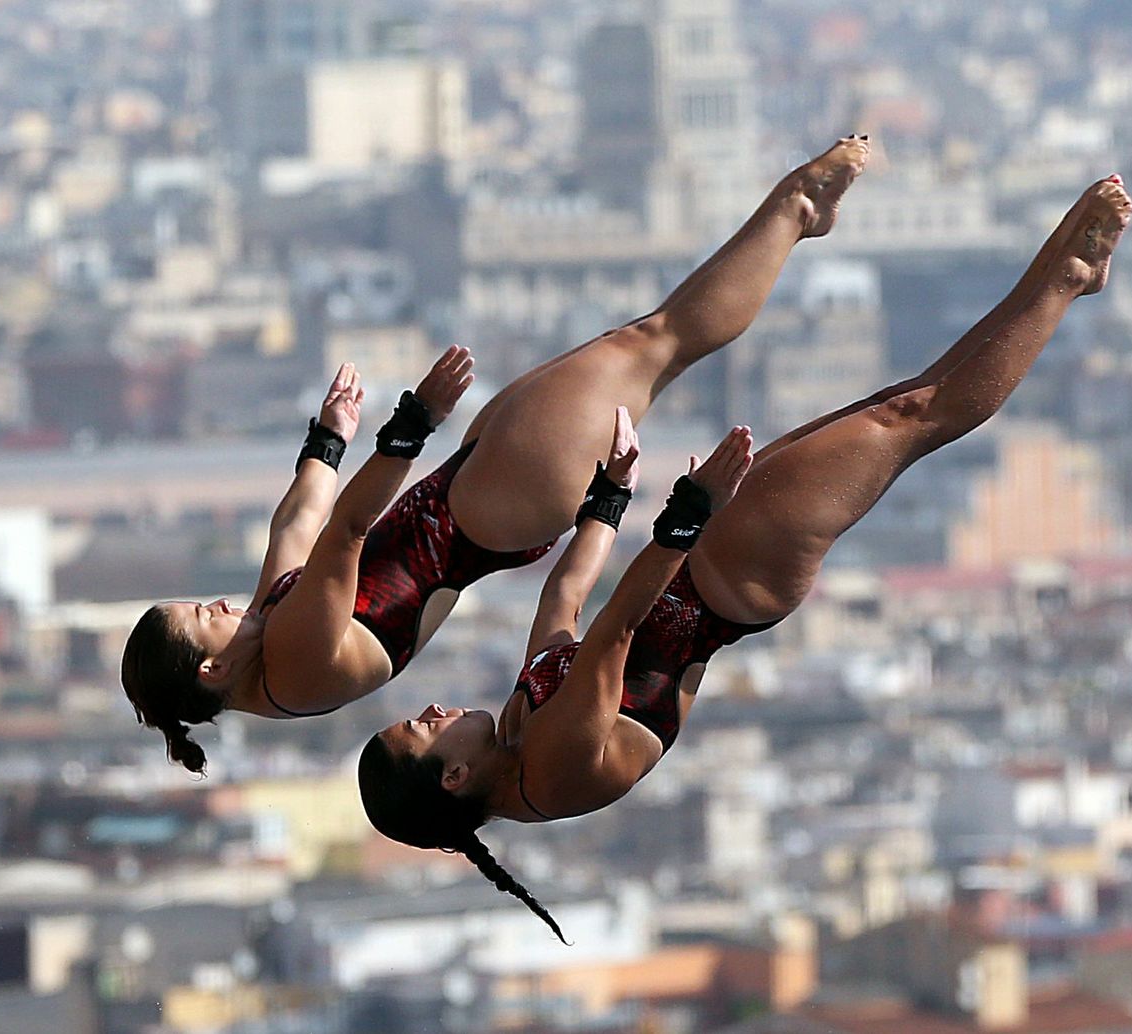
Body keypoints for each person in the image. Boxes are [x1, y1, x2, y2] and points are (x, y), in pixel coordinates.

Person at [358, 176, 1132, 941]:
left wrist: (607, 501)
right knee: (910, 419)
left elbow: (562, 612)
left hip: (704, 562)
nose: (431, 710)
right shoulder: (549, 774)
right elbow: (614, 635)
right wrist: (685, 516)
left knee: (900, 403)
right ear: (453, 779)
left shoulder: (520, 744)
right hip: (729, 582)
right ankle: (1066, 279)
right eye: (422, 732)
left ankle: (1066, 276)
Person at [120, 137, 874, 773]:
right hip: (492, 501)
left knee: (647, 342)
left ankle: (797, 219)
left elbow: (296, 529)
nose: (214, 603)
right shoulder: (294, 666)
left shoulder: (264, 647)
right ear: (210, 669)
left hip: (481, 489)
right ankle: (797, 210)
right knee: (658, 342)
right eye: (200, 616)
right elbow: (343, 537)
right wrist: (409, 425)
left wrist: (328, 439)